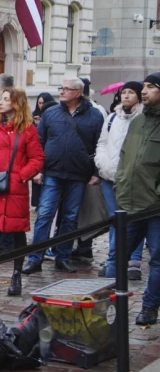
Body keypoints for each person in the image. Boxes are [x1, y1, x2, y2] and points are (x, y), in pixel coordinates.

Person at [23, 78, 104, 274]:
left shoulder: (94, 115)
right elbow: (38, 143)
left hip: (78, 175)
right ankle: (35, 258)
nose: (62, 91)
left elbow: (100, 145)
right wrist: (38, 169)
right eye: (62, 88)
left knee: (70, 217)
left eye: (67, 89)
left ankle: (63, 257)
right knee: (45, 214)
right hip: (53, 172)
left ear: (78, 93)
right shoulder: (51, 113)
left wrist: (96, 172)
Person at [0, 88, 44, 295]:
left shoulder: (28, 129)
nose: (1, 103)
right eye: (1, 99)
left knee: (17, 232)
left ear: (16, 103)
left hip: (15, 190)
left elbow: (37, 158)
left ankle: (16, 277)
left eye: (6, 99)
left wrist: (21, 175)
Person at [116, 72, 160, 324]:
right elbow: (124, 156)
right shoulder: (138, 121)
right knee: (118, 255)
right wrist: (121, 182)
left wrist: (156, 192)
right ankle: (111, 305)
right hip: (130, 202)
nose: (144, 91)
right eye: (143, 86)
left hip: (156, 208)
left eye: (151, 87)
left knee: (157, 260)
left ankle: (150, 307)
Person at [97, 81, 145, 279]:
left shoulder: (143, 118)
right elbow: (102, 143)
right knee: (114, 220)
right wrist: (103, 164)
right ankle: (114, 260)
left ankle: (133, 261)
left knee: (133, 219)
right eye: (123, 92)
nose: (126, 96)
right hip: (110, 176)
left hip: (133, 179)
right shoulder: (111, 118)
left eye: (131, 92)